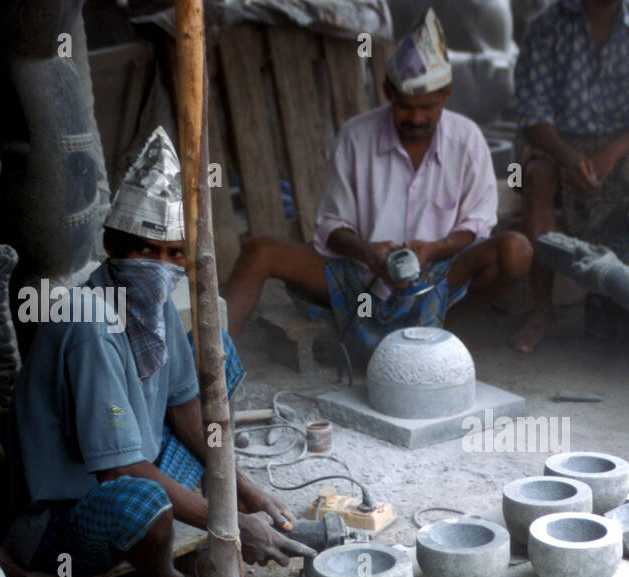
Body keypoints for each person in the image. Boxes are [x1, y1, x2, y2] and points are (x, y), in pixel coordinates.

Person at [0, 127, 311, 577]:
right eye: (143, 248)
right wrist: (228, 527)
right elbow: (121, 473)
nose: (157, 264)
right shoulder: (89, 325)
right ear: (113, 246)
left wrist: (246, 494)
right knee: (143, 500)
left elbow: (186, 410)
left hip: (133, 457)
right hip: (61, 514)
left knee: (221, 358)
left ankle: (194, 524)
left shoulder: (154, 298)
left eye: (172, 254)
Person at [222, 7, 531, 363]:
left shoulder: (468, 139)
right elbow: (332, 227)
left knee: (515, 250)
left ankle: (444, 329)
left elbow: (476, 224)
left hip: (437, 272)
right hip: (360, 274)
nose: (416, 118)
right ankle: (209, 365)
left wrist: (432, 249)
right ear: (387, 91)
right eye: (405, 107)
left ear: (447, 94)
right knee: (260, 251)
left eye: (427, 107)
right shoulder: (357, 136)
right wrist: (369, 252)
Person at [510, 0, 629, 353]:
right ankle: (543, 308)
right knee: (537, 176)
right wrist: (568, 157)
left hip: (624, 142)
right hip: (557, 141)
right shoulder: (546, 26)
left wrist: (612, 152)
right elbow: (531, 110)